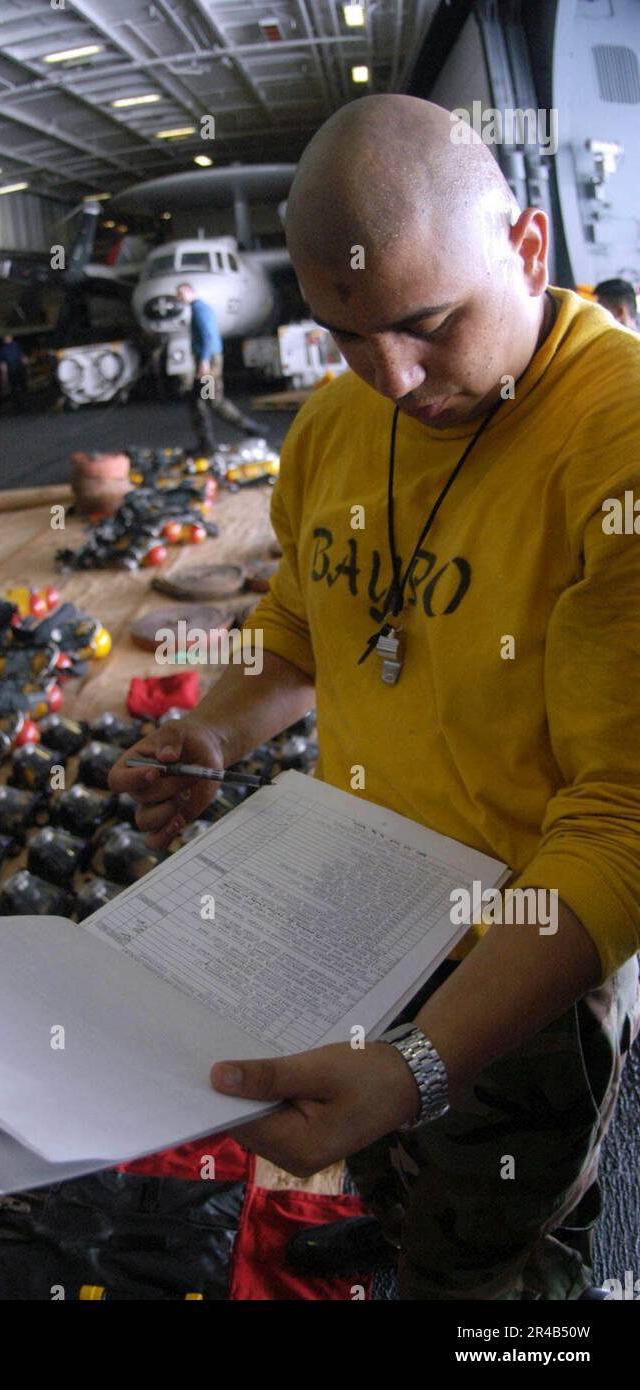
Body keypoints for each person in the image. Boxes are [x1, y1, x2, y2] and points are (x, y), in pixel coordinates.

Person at [112, 95, 640, 1301]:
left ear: (525, 250)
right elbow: (300, 632)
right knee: (394, 1165)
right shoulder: (337, 425)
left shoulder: (610, 447)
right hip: (348, 911)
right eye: (346, 336)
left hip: (513, 955)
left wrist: (418, 1063)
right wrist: (214, 730)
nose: (391, 377)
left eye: (426, 324)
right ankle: (407, 1224)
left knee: (497, 1234)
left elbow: (621, 818)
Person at [176, 282, 262, 455]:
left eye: (180, 294)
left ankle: (250, 428)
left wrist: (204, 361)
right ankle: (206, 442)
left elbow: (208, 336)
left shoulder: (199, 310)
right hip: (207, 360)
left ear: (189, 291)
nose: (179, 298)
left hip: (208, 362)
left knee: (212, 400)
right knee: (198, 400)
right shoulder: (199, 308)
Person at [0, 334, 28, 411]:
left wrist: (25, 360)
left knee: (22, 386)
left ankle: (24, 402)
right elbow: (3, 363)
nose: (7, 338)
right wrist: (4, 374)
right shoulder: (3, 349)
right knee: (13, 389)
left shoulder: (17, 345)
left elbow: (22, 356)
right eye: (5, 337)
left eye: (8, 336)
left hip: (20, 369)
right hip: (11, 371)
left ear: (11, 337)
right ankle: (17, 404)